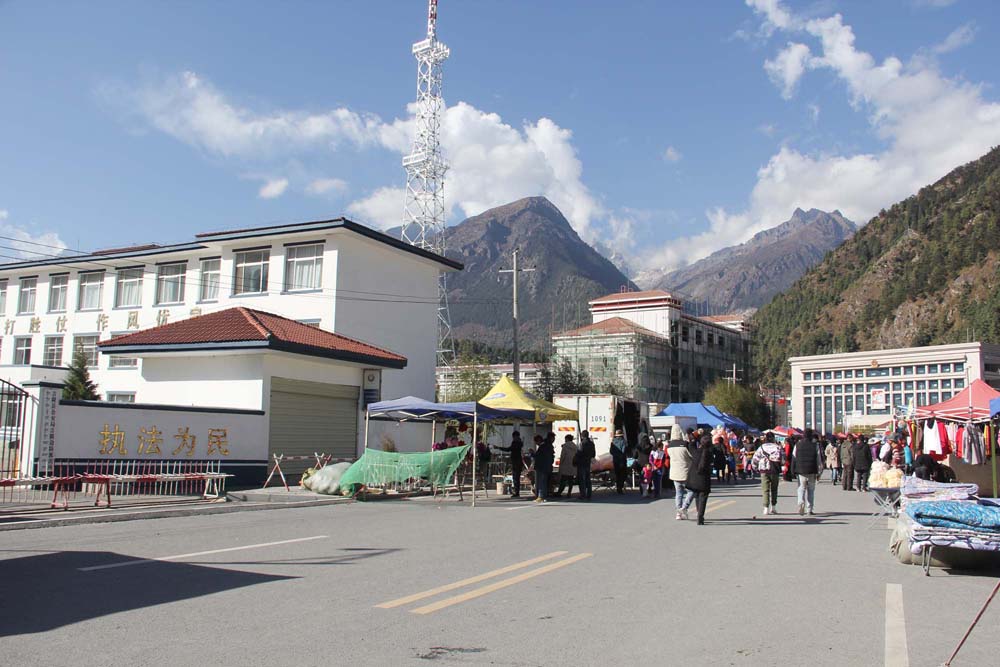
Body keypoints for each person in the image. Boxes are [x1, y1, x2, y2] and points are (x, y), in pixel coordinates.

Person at [793, 429, 825, 516]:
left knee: (801, 488)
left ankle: (800, 502)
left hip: (801, 470)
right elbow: (819, 459)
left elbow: (794, 458)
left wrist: (793, 470)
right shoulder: (815, 445)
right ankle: (809, 509)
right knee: (811, 490)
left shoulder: (797, 445)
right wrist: (820, 472)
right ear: (811, 435)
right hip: (812, 470)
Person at [751, 433, 784, 515]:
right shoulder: (778, 447)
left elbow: (755, 458)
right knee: (774, 489)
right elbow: (782, 459)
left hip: (763, 470)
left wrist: (754, 467)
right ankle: (773, 507)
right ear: (773, 438)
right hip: (774, 470)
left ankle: (766, 508)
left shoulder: (761, 447)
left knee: (765, 490)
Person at [685, 435, 713, 525]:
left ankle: (698, 513)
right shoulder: (709, 453)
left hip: (694, 478)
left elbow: (690, 445)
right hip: (704, 478)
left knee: (697, 496)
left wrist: (695, 437)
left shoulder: (695, 452)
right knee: (703, 498)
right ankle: (700, 516)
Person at [667, 425, 694, 520]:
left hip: (674, 472)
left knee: (678, 493)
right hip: (686, 471)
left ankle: (678, 513)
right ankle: (684, 507)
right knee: (691, 491)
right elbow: (691, 456)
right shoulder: (685, 444)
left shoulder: (669, 445)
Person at [495, 431, 524, 497]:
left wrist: (499, 448)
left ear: (515, 436)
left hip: (516, 462)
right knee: (517, 477)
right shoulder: (520, 443)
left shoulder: (516, 443)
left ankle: (516, 492)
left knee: (516, 477)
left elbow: (509, 449)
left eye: (514, 437)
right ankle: (517, 491)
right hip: (518, 462)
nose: (513, 438)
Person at [533, 434, 555, 503]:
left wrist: (532, 453)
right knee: (544, 482)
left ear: (539, 441)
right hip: (547, 466)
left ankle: (540, 496)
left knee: (541, 482)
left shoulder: (542, 447)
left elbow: (538, 456)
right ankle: (544, 496)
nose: (536, 444)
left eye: (536, 442)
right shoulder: (548, 446)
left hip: (541, 467)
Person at [576, 430, 595, 501]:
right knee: (588, 480)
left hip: (581, 463)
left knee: (581, 480)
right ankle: (589, 495)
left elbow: (579, 453)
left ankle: (582, 494)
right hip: (588, 463)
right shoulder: (591, 444)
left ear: (582, 436)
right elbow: (593, 454)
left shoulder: (582, 444)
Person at [610, 429, 628, 494]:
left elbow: (611, 451)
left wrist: (615, 455)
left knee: (617, 474)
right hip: (622, 460)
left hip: (615, 460)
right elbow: (623, 451)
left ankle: (618, 487)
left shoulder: (613, 442)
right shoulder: (623, 442)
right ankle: (620, 487)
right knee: (623, 474)